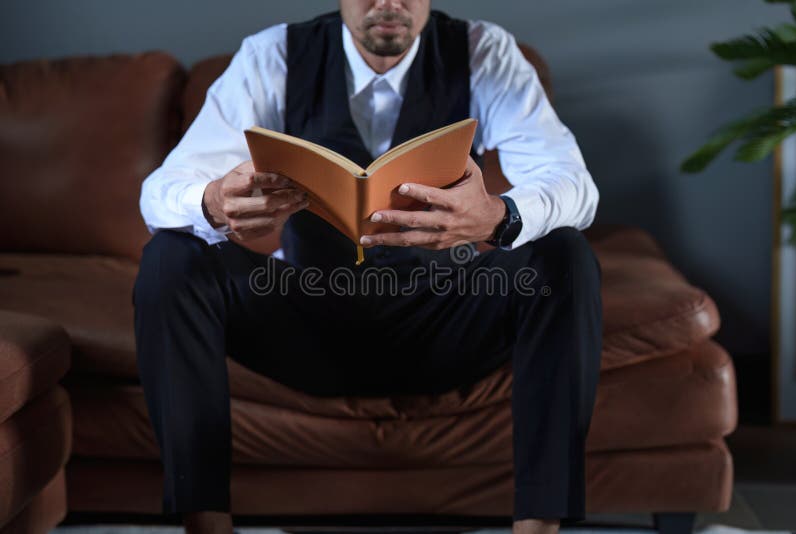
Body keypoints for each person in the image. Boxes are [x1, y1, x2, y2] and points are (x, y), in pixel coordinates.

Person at [133, 1, 603, 533]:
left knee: (563, 254)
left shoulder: (483, 52)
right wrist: (214, 200)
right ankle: (206, 526)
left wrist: (498, 215)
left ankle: (538, 528)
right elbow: (160, 194)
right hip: (305, 328)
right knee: (172, 256)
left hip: (442, 325)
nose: (387, 2)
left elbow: (575, 186)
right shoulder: (273, 55)